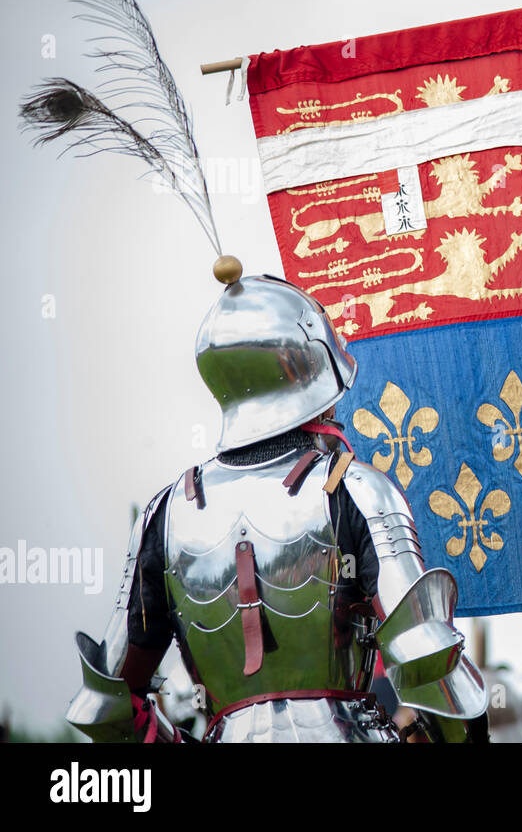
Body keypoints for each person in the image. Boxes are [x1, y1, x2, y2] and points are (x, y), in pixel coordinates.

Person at [66, 266, 490, 742]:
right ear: (310, 372)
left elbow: (105, 705)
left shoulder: (164, 514)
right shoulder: (357, 489)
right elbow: (427, 658)